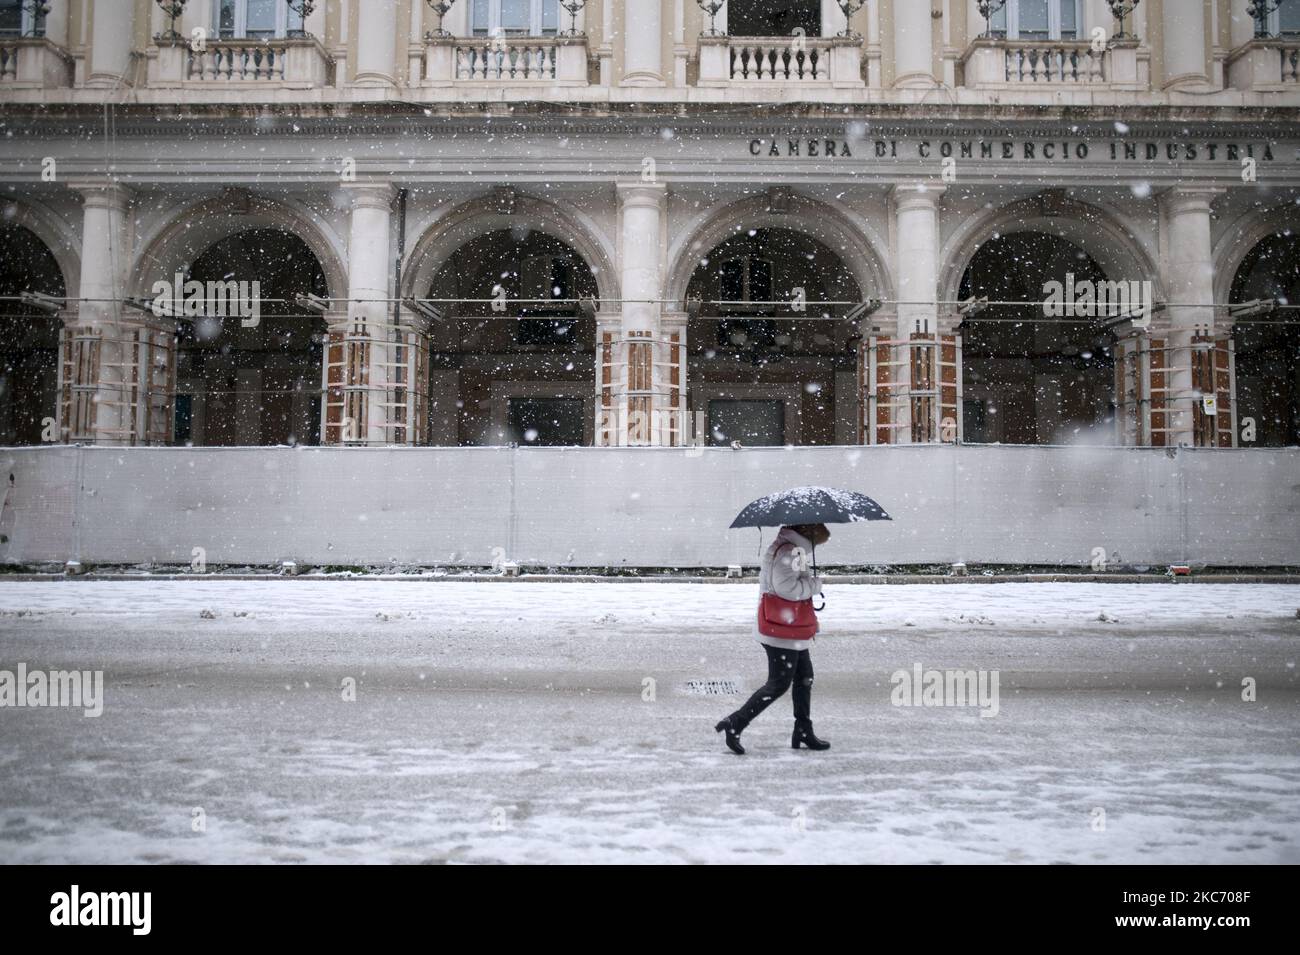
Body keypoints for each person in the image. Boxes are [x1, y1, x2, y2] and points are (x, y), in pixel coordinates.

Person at [715, 522, 831, 755]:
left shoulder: (791, 548)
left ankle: (803, 729)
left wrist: (807, 581)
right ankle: (735, 723)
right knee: (779, 683)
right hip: (781, 629)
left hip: (790, 627)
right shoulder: (789, 551)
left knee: (804, 677)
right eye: (817, 542)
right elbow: (787, 588)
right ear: (808, 533)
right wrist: (814, 585)